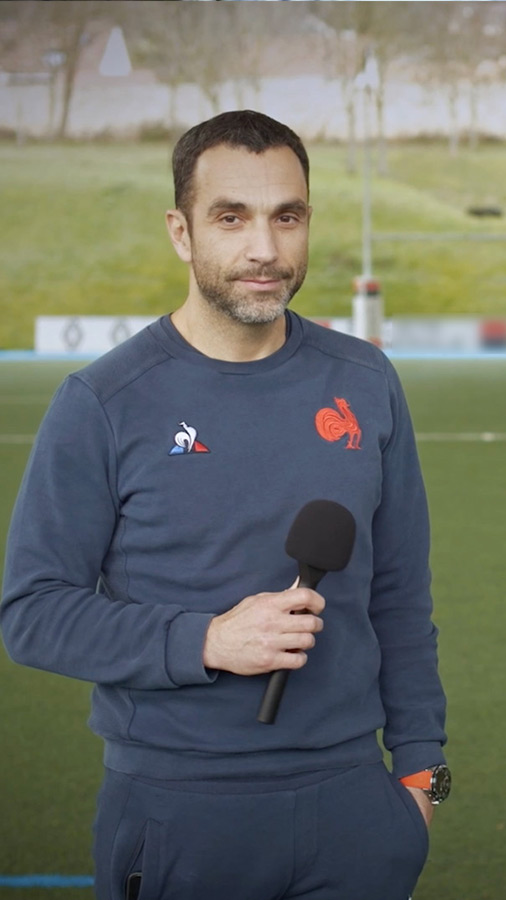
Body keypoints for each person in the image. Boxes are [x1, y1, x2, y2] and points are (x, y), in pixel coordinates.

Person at [1, 110, 448, 900]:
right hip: (180, 808)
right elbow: (32, 614)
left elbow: (401, 595)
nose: (265, 250)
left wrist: (418, 777)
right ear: (181, 231)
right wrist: (204, 639)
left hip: (354, 809)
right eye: (231, 217)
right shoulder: (103, 402)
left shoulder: (365, 380)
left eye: (288, 216)